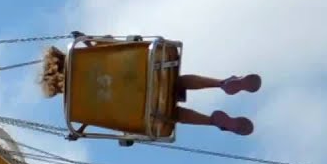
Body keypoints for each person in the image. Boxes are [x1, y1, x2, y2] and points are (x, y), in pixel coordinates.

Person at [38, 45, 261, 136]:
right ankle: (222, 83)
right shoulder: (83, 54)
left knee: (173, 116)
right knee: (177, 81)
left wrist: (77, 134)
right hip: (154, 73)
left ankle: (213, 121)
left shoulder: (77, 109)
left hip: (149, 111)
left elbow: (101, 122)